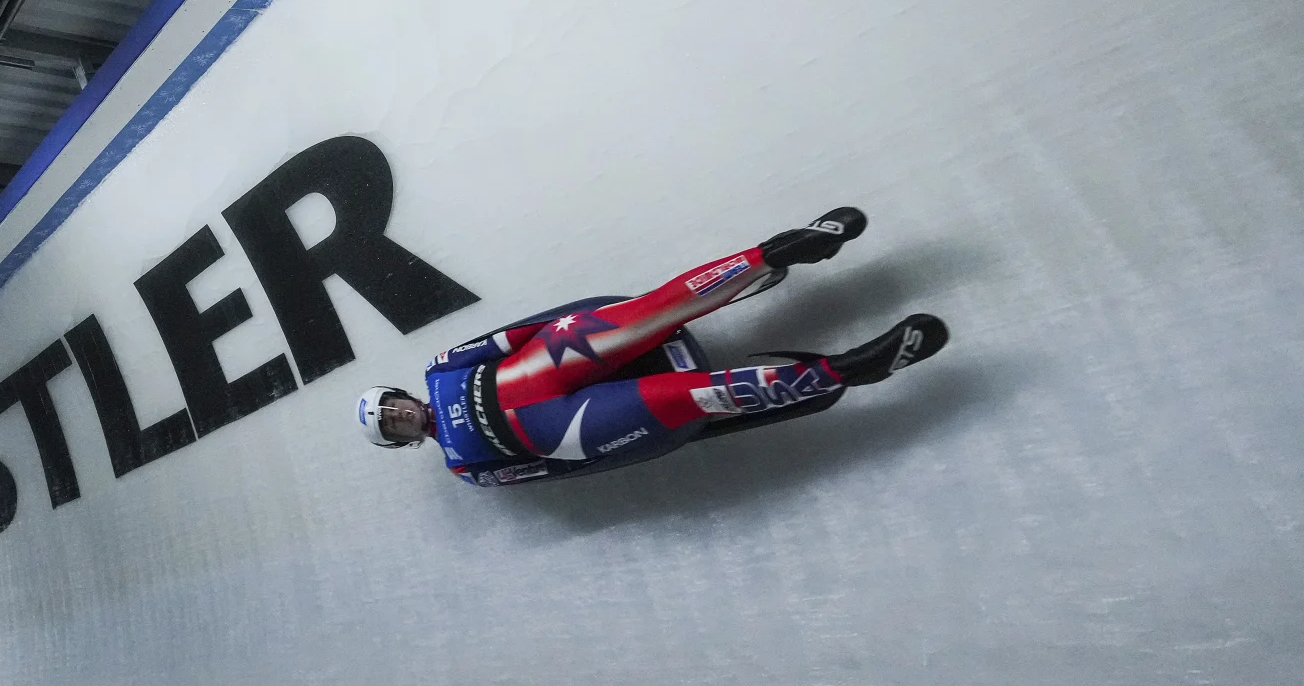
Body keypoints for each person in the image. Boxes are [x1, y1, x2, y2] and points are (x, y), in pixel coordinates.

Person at [355, 208, 948, 485]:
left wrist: (592, 309)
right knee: (690, 398)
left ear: (400, 394)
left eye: (391, 407)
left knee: (653, 311)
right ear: (405, 442)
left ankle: (779, 251)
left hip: (542, 362)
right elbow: (549, 472)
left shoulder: (441, 370)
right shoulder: (466, 469)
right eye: (394, 427)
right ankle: (851, 369)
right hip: (567, 427)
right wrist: (641, 446)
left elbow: (511, 334)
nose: (402, 417)